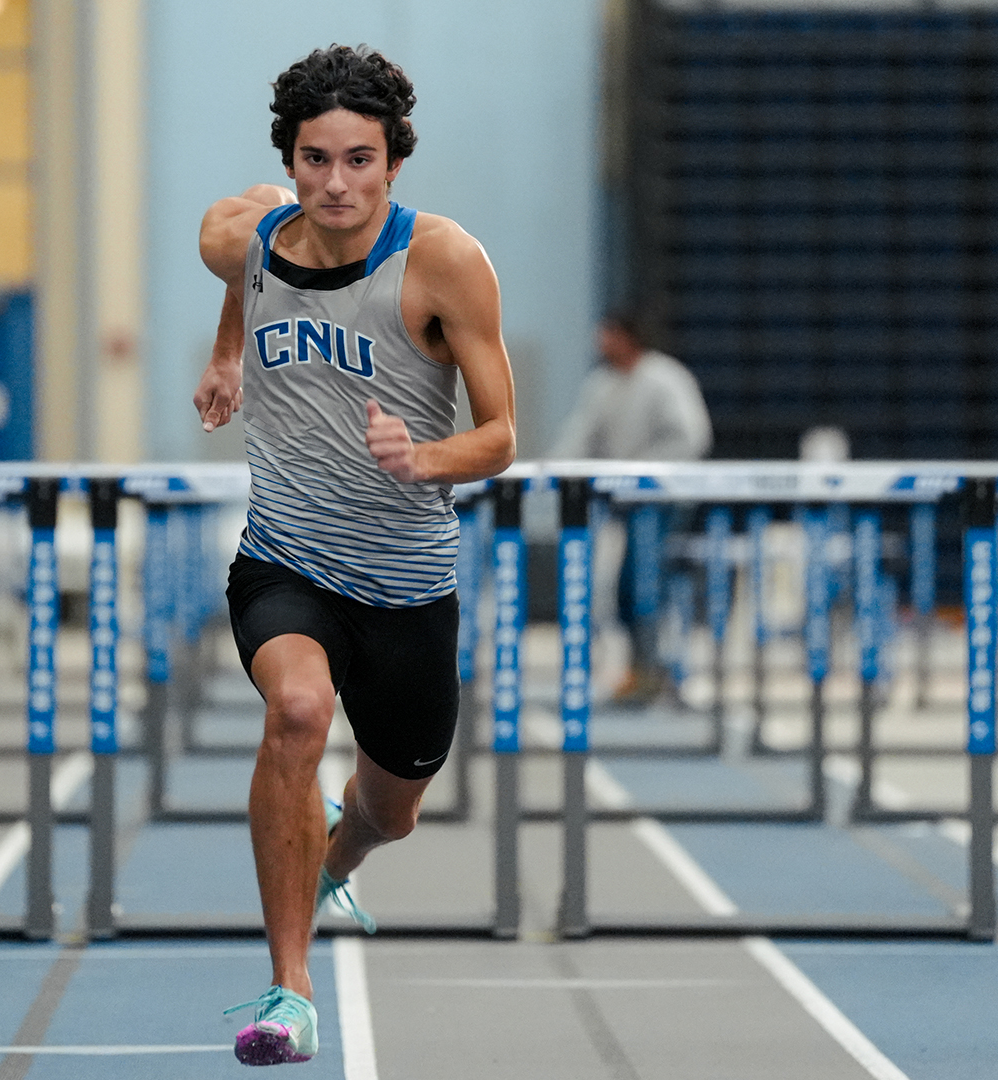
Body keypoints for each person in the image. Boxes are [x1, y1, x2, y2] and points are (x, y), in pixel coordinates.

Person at [193, 45, 516, 1065]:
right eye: (315, 160)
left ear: (393, 164)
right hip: (285, 557)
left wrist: (423, 456)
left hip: (408, 582)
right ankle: (290, 991)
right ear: (288, 161)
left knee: (393, 812)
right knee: (296, 711)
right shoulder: (236, 237)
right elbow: (247, 272)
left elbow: (502, 435)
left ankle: (339, 851)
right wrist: (227, 351)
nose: (337, 184)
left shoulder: (444, 263)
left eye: (360, 161)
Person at [551, 312, 711, 704]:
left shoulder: (665, 378)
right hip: (625, 502)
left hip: (662, 501)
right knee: (624, 589)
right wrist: (549, 471)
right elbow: (580, 436)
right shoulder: (602, 385)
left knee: (647, 586)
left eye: (606, 334)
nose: (599, 342)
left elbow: (692, 437)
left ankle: (662, 671)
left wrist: (642, 472)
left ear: (626, 336)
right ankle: (642, 670)